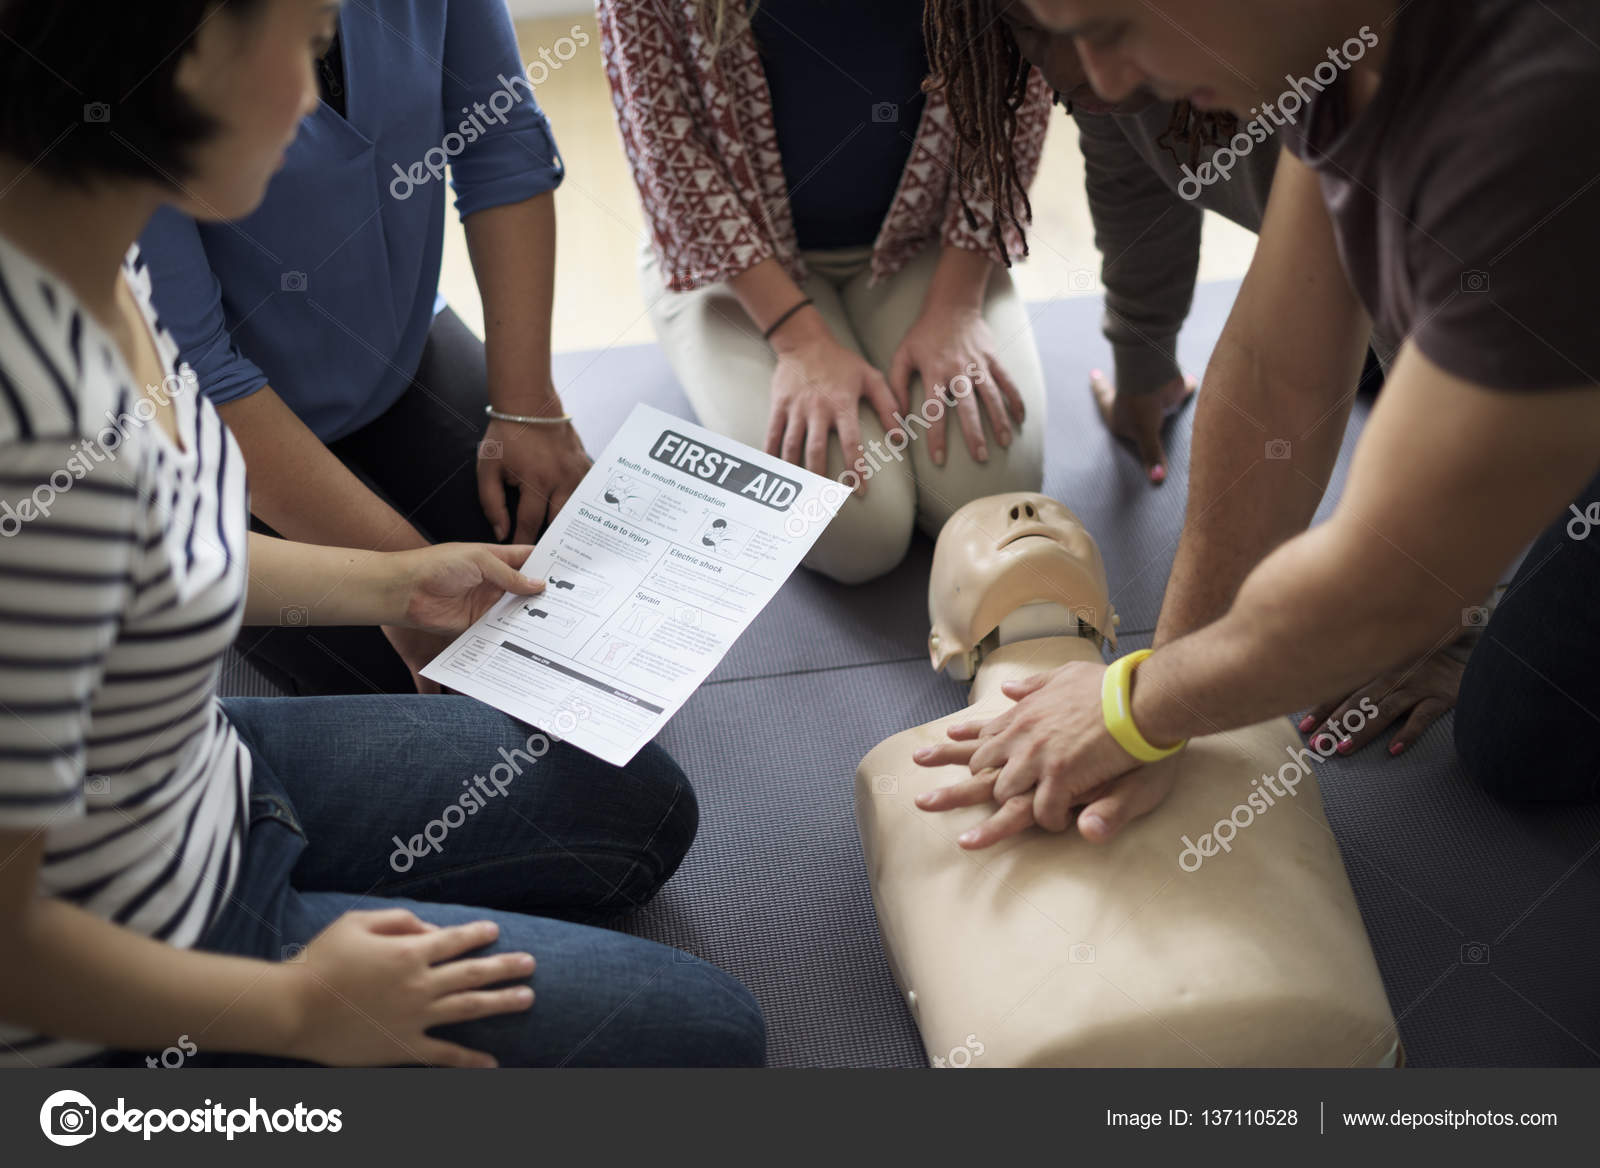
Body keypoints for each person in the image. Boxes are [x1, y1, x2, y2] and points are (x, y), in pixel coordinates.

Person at [0, 0, 763, 1069]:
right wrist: (295, 1007)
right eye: (311, 45)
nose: (320, 98)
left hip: (203, 774)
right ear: (187, 52)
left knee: (637, 804)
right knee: (708, 1040)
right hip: (136, 955)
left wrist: (396, 586)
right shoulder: (30, 432)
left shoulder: (94, 249)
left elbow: (159, 554)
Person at [913, 0, 1600, 841]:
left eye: (1117, 27)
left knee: (1513, 734)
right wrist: (1154, 691)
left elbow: (1401, 582)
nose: (1107, 82)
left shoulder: (1537, 110)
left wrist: (1137, 709)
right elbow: (1280, 373)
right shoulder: (1331, 50)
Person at [139, 0, 591, 697]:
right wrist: (401, 585)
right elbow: (190, 373)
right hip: (208, 436)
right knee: (435, 693)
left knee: (567, 578)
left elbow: (501, 142)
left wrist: (529, 406)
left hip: (399, 352)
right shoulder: (117, 57)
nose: (304, 101)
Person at [597, 0, 1052, 585]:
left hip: (931, 237)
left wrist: (956, 305)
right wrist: (801, 342)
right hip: (735, 265)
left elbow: (1017, 91)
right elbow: (667, 148)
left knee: (988, 498)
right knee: (860, 534)